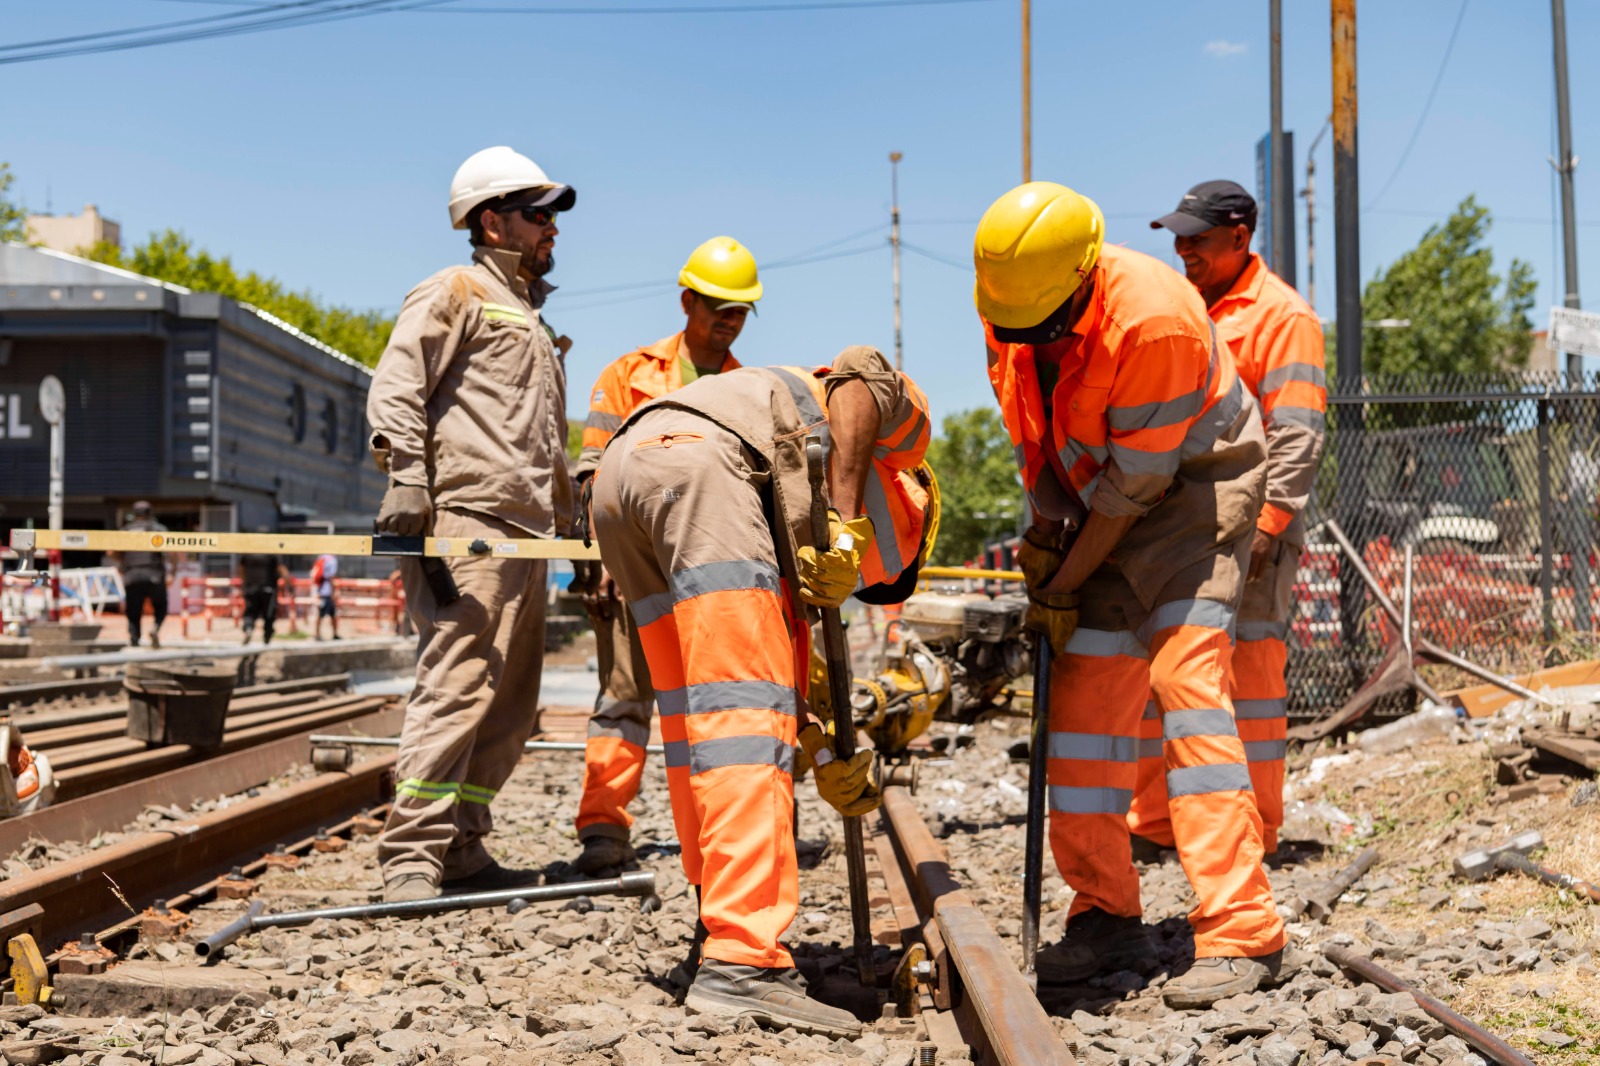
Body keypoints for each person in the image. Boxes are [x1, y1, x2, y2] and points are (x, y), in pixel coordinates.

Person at [973, 181, 1298, 1009]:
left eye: (1043, 328)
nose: (1027, 340)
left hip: (1190, 497)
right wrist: (1047, 536)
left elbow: (1135, 489)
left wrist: (1066, 577)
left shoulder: (1150, 316)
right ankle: (1105, 911)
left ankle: (1242, 926)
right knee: (1083, 714)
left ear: (1082, 277)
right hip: (1098, 505)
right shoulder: (1012, 303)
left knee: (1185, 689)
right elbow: (1038, 442)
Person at [589, 345, 934, 1037]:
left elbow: (777, 692)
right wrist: (841, 519)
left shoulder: (780, 516)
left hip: (623, 477)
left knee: (700, 722)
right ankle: (744, 959)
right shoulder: (896, 447)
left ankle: (717, 916)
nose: (858, 578)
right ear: (898, 505)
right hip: (702, 469)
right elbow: (863, 371)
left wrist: (826, 754)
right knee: (742, 722)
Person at [366, 146, 577, 903]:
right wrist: (408, 477)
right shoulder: (455, 289)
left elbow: (546, 437)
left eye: (551, 215)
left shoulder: (526, 312)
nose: (551, 227)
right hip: (468, 520)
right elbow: (397, 384)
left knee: (511, 703)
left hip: (529, 532)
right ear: (492, 221)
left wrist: (574, 528)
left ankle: (463, 847)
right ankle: (411, 857)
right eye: (536, 214)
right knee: (456, 684)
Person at [1130, 181, 1328, 857]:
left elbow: (1298, 433)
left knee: (1250, 685)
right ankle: (1160, 826)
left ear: (1239, 238)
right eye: (1177, 239)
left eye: (1196, 239)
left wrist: (1271, 525)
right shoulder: (1190, 307)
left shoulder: (1282, 316)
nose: (1182, 251)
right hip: (1186, 530)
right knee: (1171, 675)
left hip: (1254, 530)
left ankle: (1255, 831)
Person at [570, 236, 763, 877]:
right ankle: (603, 825)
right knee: (625, 697)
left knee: (715, 703)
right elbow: (593, 473)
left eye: (740, 309)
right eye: (718, 305)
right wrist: (595, 561)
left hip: (713, 572)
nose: (728, 319)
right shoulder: (631, 375)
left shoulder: (746, 389)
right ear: (688, 301)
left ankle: (718, 828)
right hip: (630, 565)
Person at [114, 501, 171, 649]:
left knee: (133, 611)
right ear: (150, 513)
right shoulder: (158, 529)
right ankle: (155, 628)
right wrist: (173, 571)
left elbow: (112, 552)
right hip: (154, 575)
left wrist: (123, 562)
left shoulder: (125, 530)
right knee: (161, 606)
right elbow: (172, 550)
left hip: (132, 575)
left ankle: (134, 639)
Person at [238, 542, 288, 645]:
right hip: (268, 589)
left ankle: (248, 628)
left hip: (251, 588)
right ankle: (267, 636)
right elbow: (281, 570)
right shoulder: (272, 553)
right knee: (269, 614)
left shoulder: (248, 553)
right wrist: (289, 584)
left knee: (250, 612)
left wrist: (244, 585)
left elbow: (241, 570)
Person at [312, 553, 340, 641]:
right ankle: (317, 634)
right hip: (327, 592)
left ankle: (334, 634)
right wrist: (334, 590)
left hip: (321, 589)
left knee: (332, 614)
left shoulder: (322, 557)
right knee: (322, 614)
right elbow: (331, 576)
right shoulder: (332, 560)